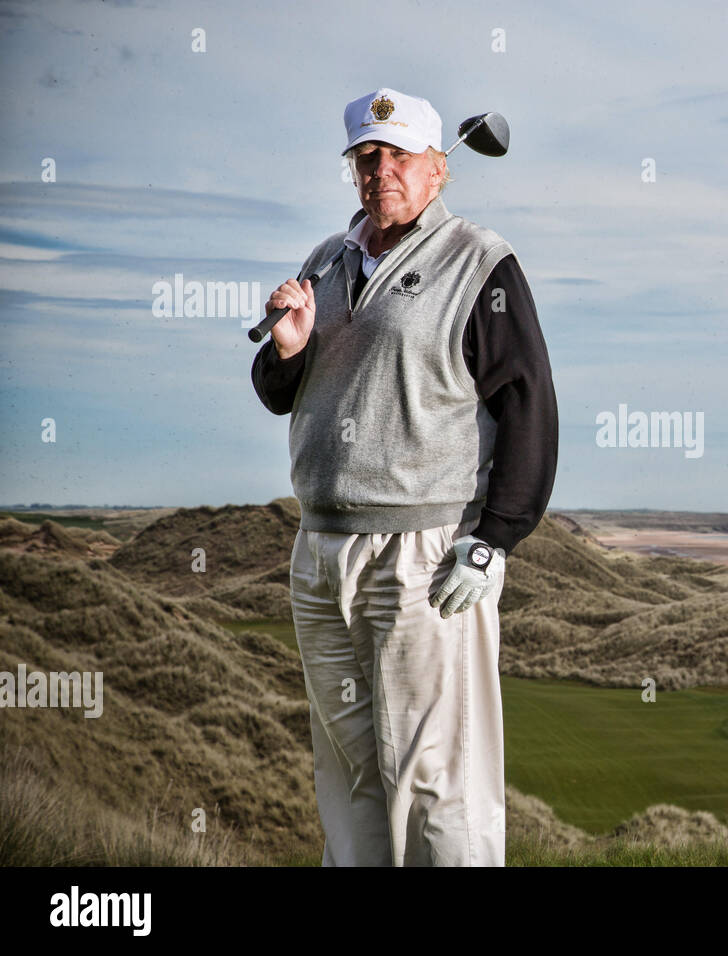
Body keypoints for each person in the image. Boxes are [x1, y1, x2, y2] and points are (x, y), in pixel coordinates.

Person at [250, 87, 558, 866]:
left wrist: (495, 540)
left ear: (439, 169)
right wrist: (287, 349)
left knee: (434, 776)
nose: (379, 171)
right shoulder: (325, 261)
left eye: (398, 156)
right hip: (321, 552)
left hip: (422, 555)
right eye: (365, 157)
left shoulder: (479, 263)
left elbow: (526, 402)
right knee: (347, 771)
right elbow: (279, 391)